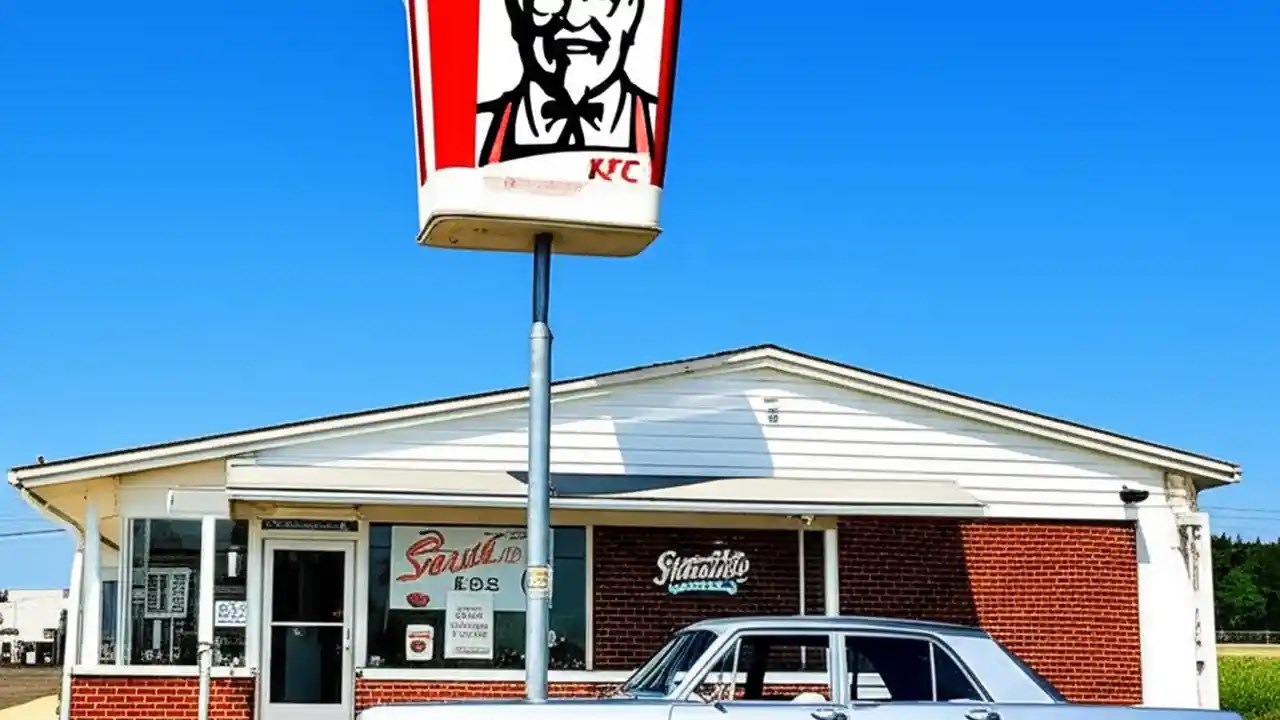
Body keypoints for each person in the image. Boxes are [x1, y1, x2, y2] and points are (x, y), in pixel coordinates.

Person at [478, 0, 656, 166]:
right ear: (518, 15)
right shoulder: (473, 131)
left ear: (632, 14)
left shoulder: (671, 134)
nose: (574, 20)